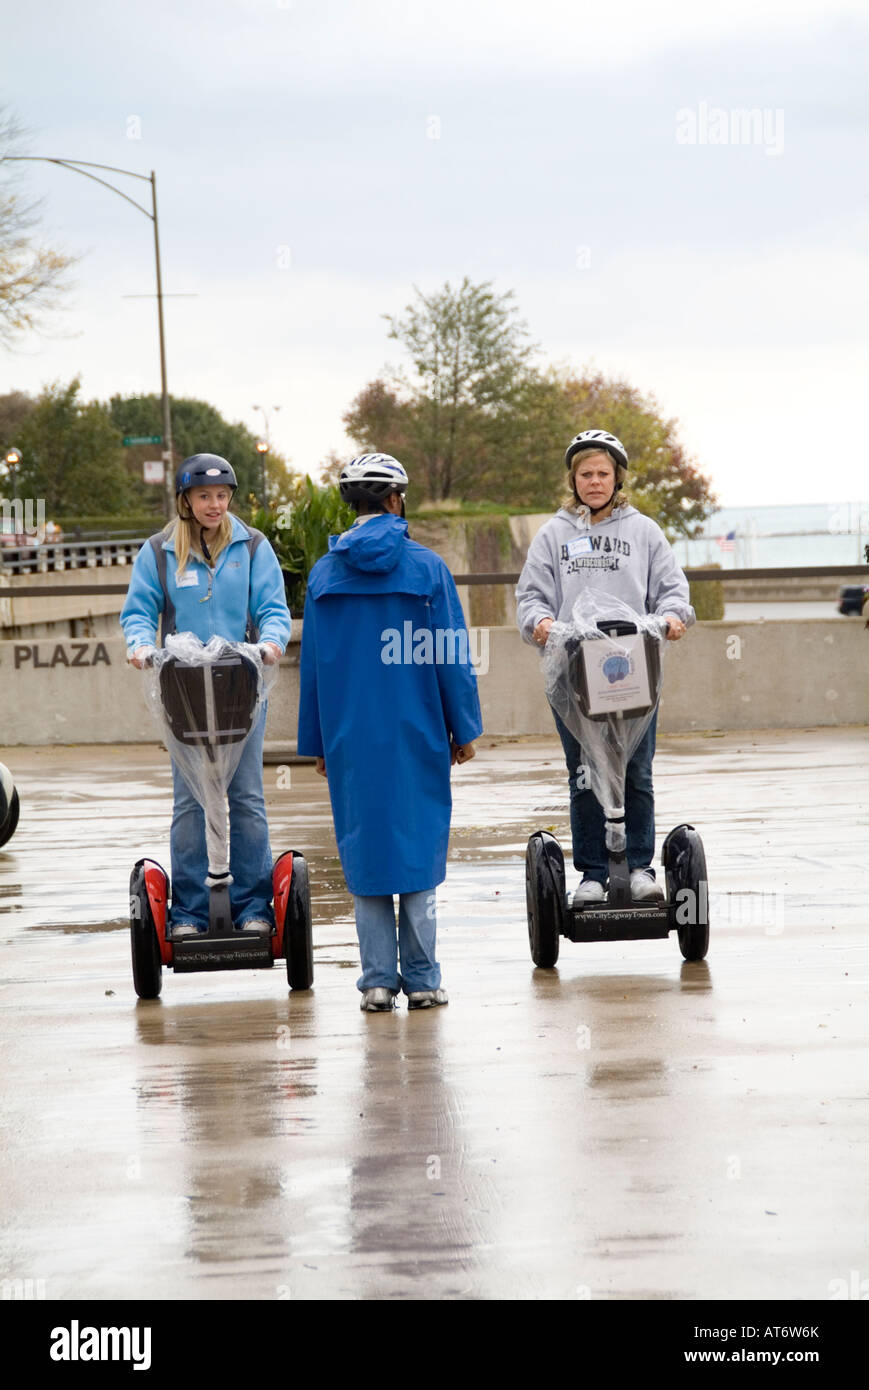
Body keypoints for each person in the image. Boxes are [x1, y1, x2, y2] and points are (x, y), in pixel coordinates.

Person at [297, 453, 483, 1012]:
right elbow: (451, 655)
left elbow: (314, 670)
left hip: (352, 739)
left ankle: (377, 982)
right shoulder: (427, 570)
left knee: (368, 857)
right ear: (398, 500)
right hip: (418, 729)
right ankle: (423, 981)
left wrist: (318, 742)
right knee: (418, 852)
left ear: (350, 505)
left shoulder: (325, 576)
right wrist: (464, 727)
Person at [515, 429, 694, 905]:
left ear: (617, 479)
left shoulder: (644, 532)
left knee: (636, 770)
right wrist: (541, 622)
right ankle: (592, 873)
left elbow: (674, 592)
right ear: (573, 480)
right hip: (573, 670)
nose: (594, 481)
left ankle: (640, 867)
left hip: (636, 665)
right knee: (584, 773)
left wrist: (673, 618)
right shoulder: (554, 535)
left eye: (603, 473)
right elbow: (530, 598)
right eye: (585, 474)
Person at [120, 453, 292, 937]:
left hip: (243, 686)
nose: (214, 505)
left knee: (247, 796)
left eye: (221, 496)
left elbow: (272, 607)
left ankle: (255, 907)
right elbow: (138, 611)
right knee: (190, 801)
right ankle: (191, 912)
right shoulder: (159, 551)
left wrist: (273, 641)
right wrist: (139, 646)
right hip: (184, 691)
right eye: (203, 496)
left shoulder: (253, 546)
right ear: (186, 500)